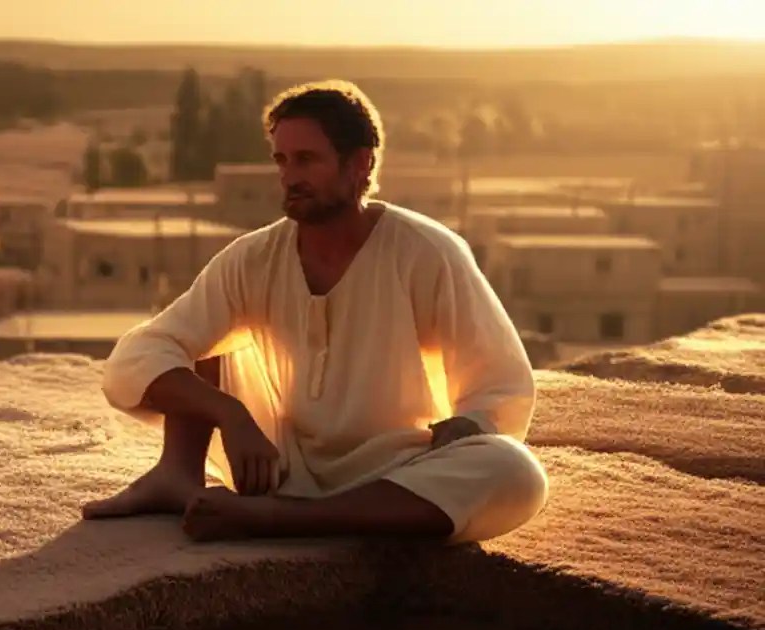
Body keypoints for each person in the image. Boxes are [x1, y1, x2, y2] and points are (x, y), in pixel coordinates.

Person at [82, 80, 548, 545]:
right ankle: (176, 476)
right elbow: (136, 356)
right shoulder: (253, 258)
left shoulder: (427, 252)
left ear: (359, 164)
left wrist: (469, 425)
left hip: (393, 471)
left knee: (515, 471)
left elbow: (500, 384)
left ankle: (280, 520)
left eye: (306, 159)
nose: (289, 176)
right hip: (277, 464)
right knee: (199, 341)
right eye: (281, 160)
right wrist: (230, 413)